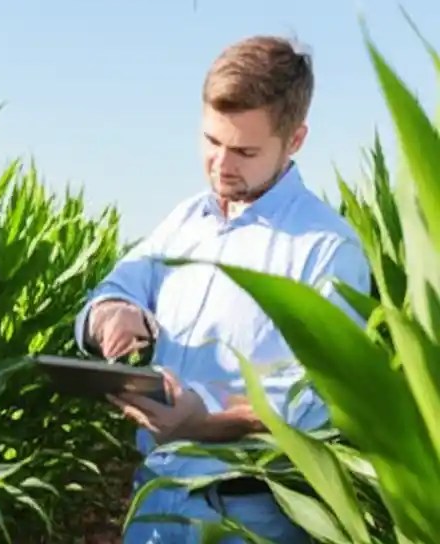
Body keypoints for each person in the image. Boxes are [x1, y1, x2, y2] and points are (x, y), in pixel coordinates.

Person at [75, 35, 372, 543]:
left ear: (295, 140)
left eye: (244, 151)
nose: (221, 164)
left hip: (249, 517)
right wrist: (112, 314)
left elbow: (321, 399)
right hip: (155, 502)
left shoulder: (327, 248)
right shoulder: (185, 220)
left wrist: (206, 418)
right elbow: (113, 290)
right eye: (211, 141)